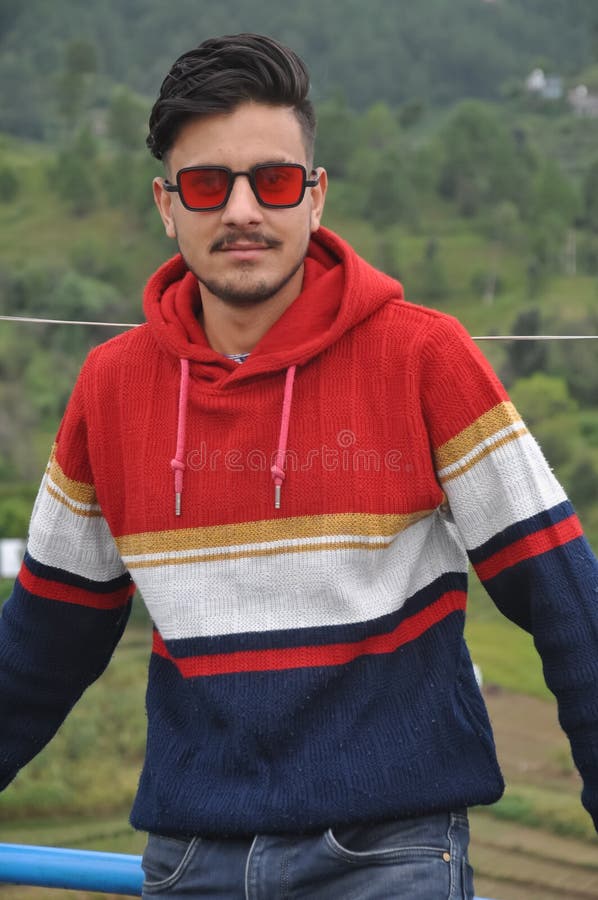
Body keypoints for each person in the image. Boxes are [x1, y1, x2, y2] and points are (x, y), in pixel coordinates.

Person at [1, 32, 597, 900]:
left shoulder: (424, 356)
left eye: (273, 181)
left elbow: (566, 599)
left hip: (387, 855)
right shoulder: (111, 389)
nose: (242, 209)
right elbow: (45, 641)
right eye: (208, 184)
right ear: (167, 206)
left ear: (316, 198)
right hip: (191, 857)